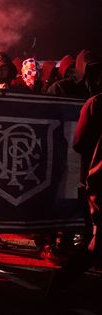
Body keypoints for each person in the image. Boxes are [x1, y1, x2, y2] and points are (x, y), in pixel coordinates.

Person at [72, 93, 102, 269]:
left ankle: (60, 285)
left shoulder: (96, 102)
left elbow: (80, 142)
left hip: (96, 172)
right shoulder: (96, 103)